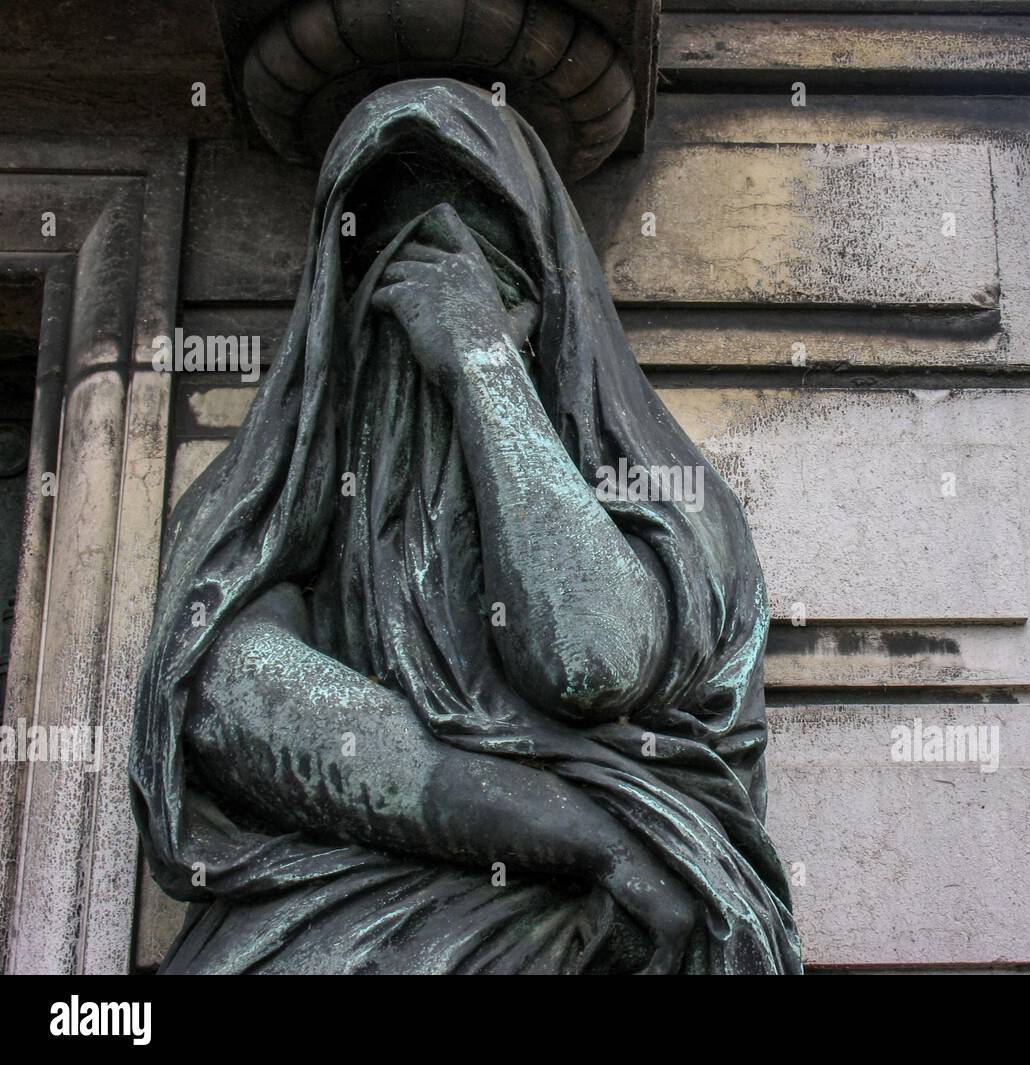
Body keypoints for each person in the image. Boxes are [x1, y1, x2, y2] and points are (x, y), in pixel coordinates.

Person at [130, 79, 801, 975]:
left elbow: (589, 658)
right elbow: (236, 703)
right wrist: (588, 834)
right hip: (347, 909)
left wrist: (483, 369)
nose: (426, 323)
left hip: (610, 928)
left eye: (487, 279)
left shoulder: (675, 504)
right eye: (396, 280)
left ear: (548, 308)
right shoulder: (269, 512)